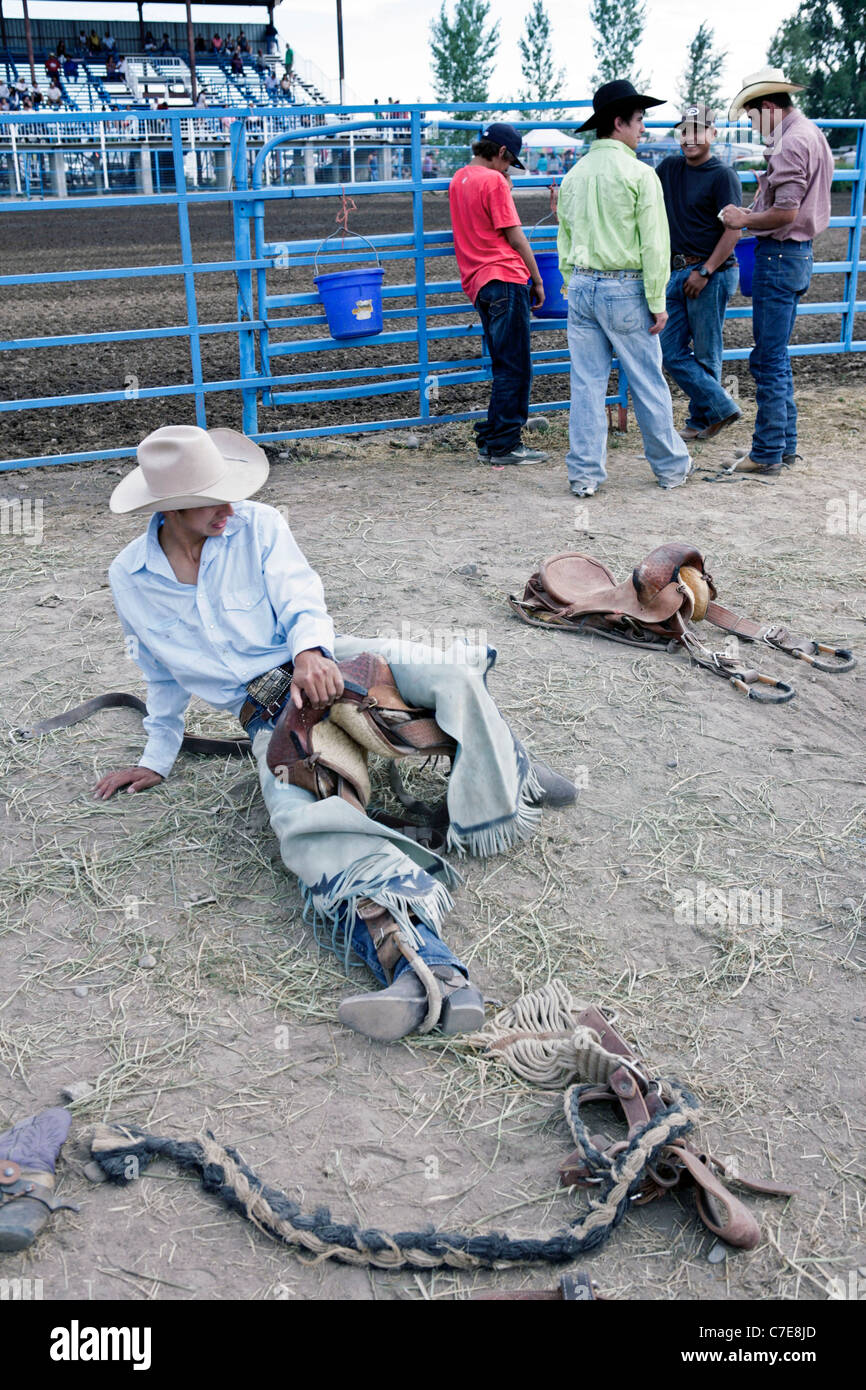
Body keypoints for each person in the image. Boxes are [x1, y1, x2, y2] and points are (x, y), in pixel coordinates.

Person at [94, 426, 576, 1042]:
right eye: (210, 497)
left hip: (325, 659)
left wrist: (310, 653)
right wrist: (157, 755)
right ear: (168, 508)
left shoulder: (259, 525)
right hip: (270, 714)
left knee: (448, 672)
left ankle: (512, 770)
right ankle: (421, 966)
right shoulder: (131, 577)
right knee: (308, 829)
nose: (228, 506)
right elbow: (158, 670)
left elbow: (300, 595)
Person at [555, 80, 692, 497]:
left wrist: (570, 282)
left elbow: (564, 238)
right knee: (648, 381)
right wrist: (657, 300)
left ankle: (584, 476)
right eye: (639, 121)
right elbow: (654, 244)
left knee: (587, 384)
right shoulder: (640, 175)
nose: (643, 129)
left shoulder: (574, 176)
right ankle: (670, 468)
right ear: (619, 123)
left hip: (581, 285)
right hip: (625, 289)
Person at [720, 67, 834, 475]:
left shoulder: (788, 143)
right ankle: (783, 445)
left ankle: (767, 451)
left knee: (767, 359)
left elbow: (785, 213)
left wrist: (741, 219)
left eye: (752, 117)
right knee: (776, 356)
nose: (753, 126)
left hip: (780, 256)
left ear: (768, 107)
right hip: (799, 256)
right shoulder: (812, 134)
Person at [449, 122, 548, 466]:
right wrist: (536, 278)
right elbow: (515, 236)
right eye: (510, 163)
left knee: (503, 363)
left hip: (479, 283)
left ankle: (493, 438)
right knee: (516, 366)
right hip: (506, 277)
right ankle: (505, 443)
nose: (509, 171)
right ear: (502, 153)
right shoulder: (492, 182)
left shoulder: (459, 178)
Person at [656, 104, 743, 442]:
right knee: (669, 350)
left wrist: (706, 270)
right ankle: (721, 406)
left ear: (712, 134)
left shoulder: (723, 176)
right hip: (676, 270)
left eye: (697, 130)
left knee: (706, 352)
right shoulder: (668, 168)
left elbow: (733, 230)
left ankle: (699, 422)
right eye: (684, 131)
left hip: (711, 272)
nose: (689, 138)